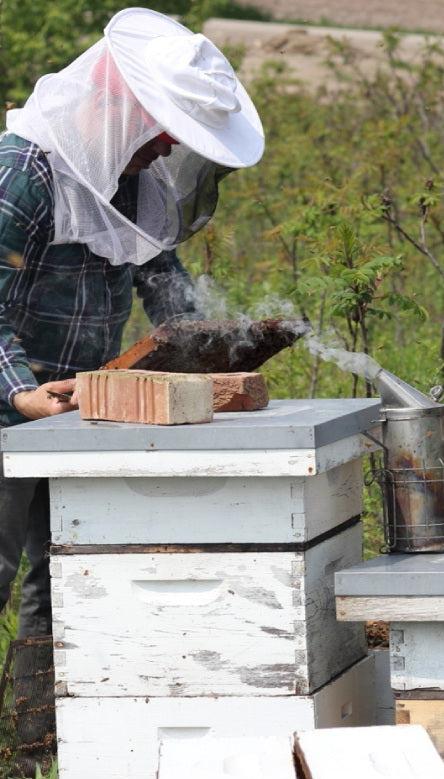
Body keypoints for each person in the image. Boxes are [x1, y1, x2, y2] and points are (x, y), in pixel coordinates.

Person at [0, 7, 265, 643]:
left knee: (61, 588)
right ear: (123, 108)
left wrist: (215, 355)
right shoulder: (20, 176)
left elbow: (165, 283)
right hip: (10, 413)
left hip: (79, 410)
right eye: (166, 128)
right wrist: (18, 390)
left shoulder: (128, 178)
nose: (171, 146)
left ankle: (35, 744)